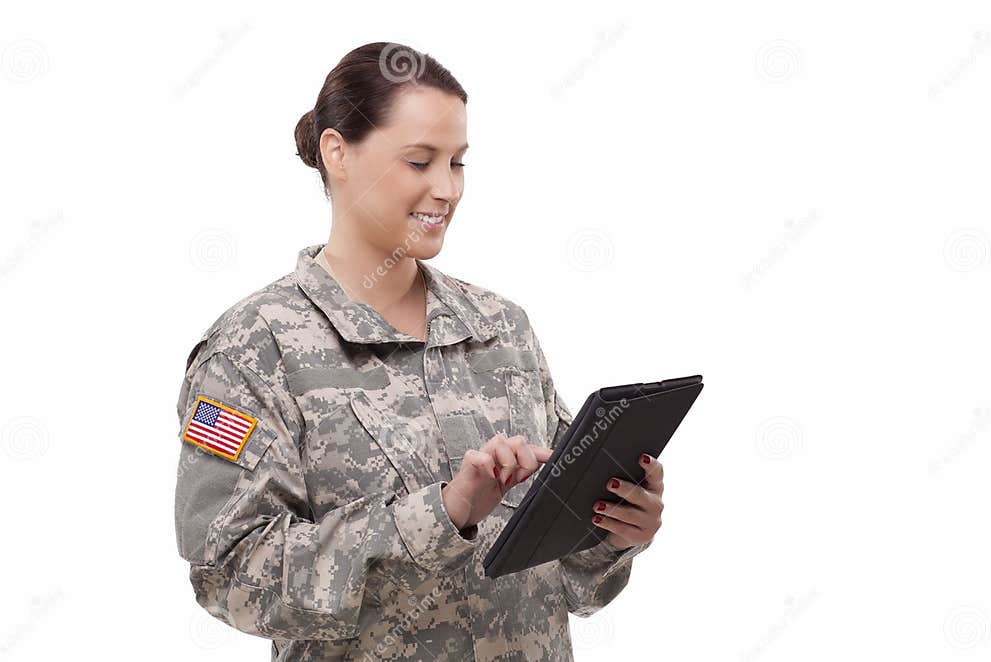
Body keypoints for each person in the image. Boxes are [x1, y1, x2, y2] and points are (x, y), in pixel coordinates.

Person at [173, 41, 665, 662]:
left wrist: (614, 530)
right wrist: (442, 515)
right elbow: (227, 576)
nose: (447, 188)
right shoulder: (252, 348)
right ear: (337, 152)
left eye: (457, 162)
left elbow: (571, 579)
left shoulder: (501, 328)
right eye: (419, 161)